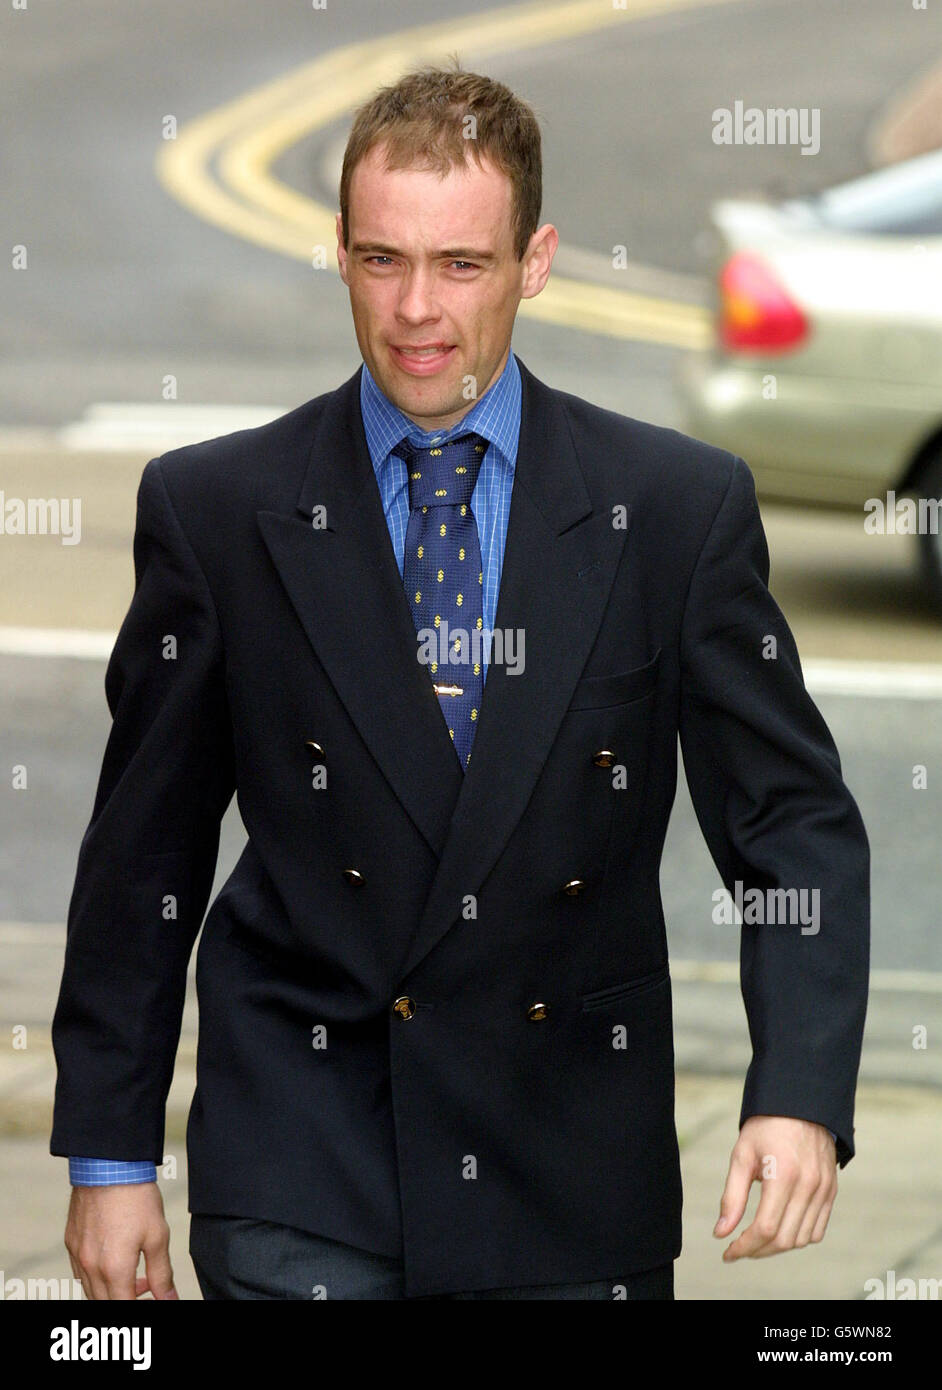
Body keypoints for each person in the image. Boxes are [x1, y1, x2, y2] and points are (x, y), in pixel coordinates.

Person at [51, 64, 869, 1301]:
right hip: (302, 1164)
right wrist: (110, 1161)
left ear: (536, 262)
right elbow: (142, 859)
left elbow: (790, 825)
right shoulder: (215, 511)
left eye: (462, 265)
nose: (415, 311)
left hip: (569, 1174)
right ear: (337, 253)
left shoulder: (673, 509)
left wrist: (798, 1093)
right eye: (381, 260)